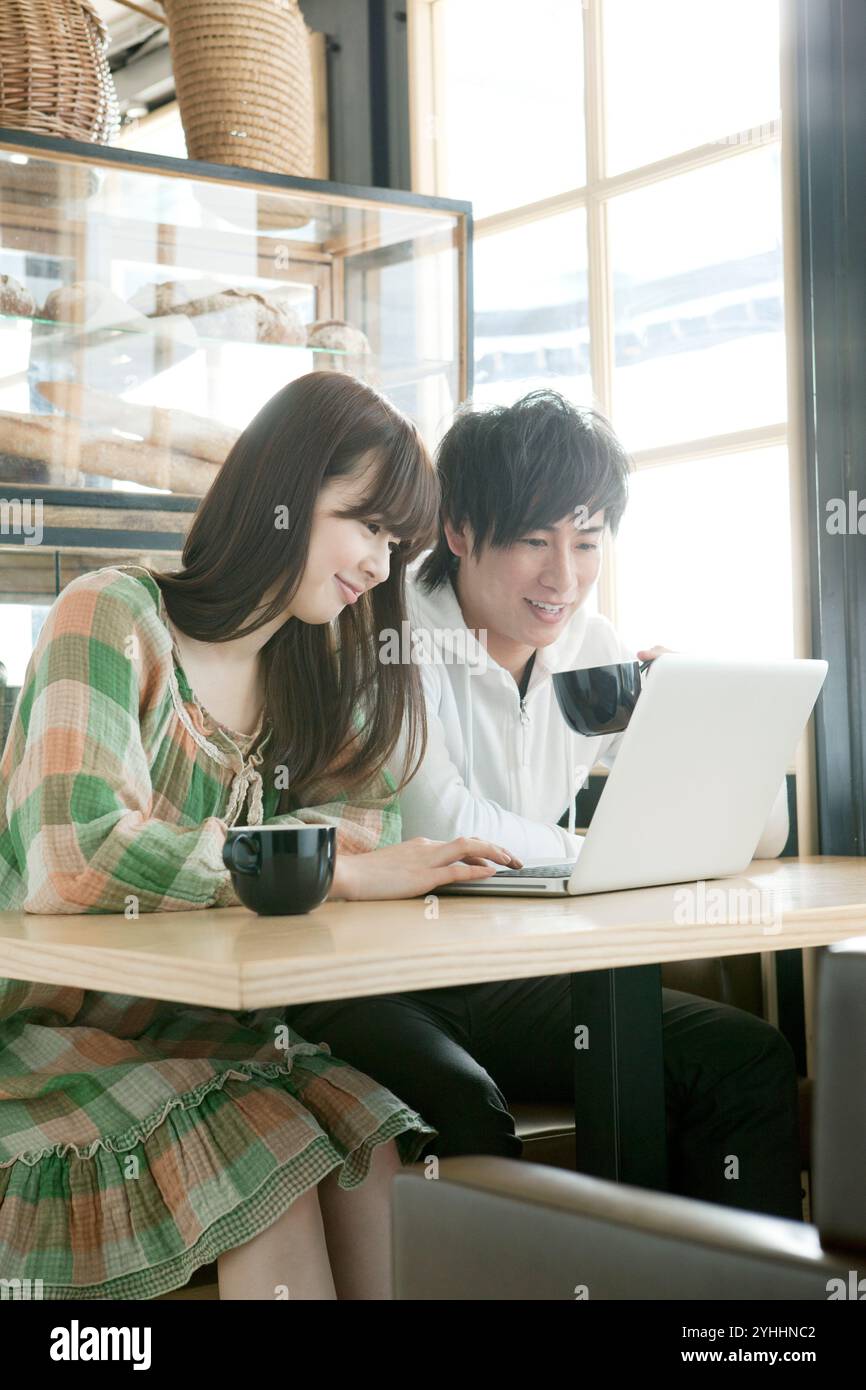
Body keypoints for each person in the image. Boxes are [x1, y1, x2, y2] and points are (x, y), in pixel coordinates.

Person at [0, 371, 517, 1301]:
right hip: (36, 1040)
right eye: (366, 523)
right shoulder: (112, 615)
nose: (380, 563)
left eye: (397, 543)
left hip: (192, 1036)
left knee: (370, 1148)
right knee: (272, 1170)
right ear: (283, 491)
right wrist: (330, 873)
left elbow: (363, 825)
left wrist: (326, 860)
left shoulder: (313, 673)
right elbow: (73, 852)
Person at [285, 389, 804, 1222]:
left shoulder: (590, 647)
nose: (564, 576)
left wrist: (692, 720)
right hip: (379, 977)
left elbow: (761, 835)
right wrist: (608, 850)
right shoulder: (392, 630)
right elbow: (440, 827)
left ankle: (737, 1340)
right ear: (459, 532)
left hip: (515, 978)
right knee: (465, 1111)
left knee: (743, 1060)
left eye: (587, 542)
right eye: (534, 541)